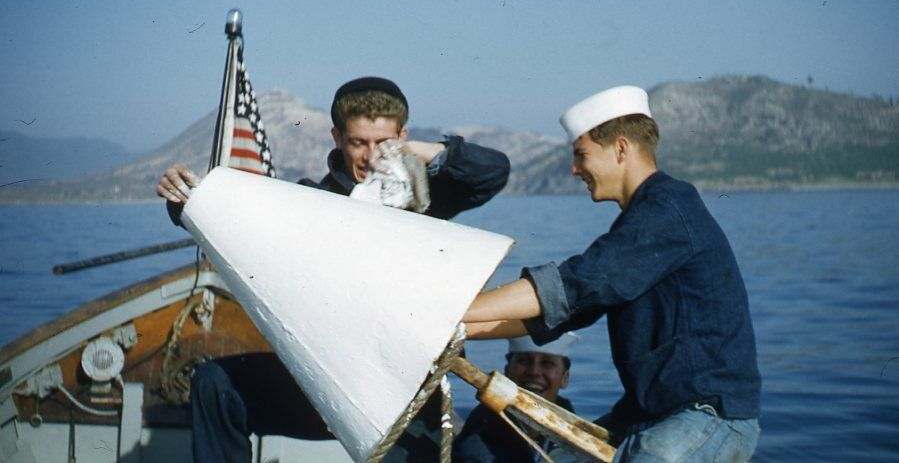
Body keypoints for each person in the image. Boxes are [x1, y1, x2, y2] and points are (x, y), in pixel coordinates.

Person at [156, 76, 511, 463]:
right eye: (358, 142)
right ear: (337, 138)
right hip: (319, 386)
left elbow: (492, 172)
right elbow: (240, 229)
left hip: (399, 392)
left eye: (384, 143)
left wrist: (416, 152)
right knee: (215, 384)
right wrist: (186, 202)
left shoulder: (427, 197)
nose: (370, 157)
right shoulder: (309, 202)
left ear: (402, 136)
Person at [461, 86, 761, 462]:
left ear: (621, 149)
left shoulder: (668, 212)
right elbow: (563, 310)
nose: (574, 169)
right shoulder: (641, 222)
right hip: (648, 415)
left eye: (581, 155)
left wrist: (453, 309)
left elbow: (572, 287)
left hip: (705, 417)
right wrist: (458, 329)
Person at [454, 332, 579, 462]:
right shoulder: (480, 433)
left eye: (547, 363)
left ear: (565, 378)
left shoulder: (577, 433)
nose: (534, 372)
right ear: (507, 371)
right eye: (524, 361)